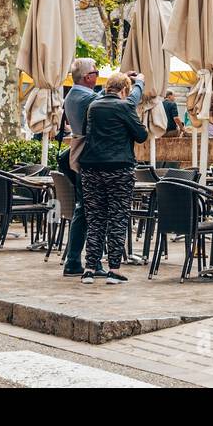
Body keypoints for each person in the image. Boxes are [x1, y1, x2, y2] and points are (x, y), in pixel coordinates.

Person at [62, 59, 142, 277]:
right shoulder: (90, 99)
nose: (99, 77)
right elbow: (114, 100)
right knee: (97, 215)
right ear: (88, 77)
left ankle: (86, 263)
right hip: (106, 163)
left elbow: (110, 95)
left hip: (88, 163)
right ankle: (89, 263)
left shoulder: (71, 96)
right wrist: (135, 85)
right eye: (96, 73)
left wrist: (122, 78)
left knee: (91, 214)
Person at [78, 72, 147, 285]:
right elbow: (141, 135)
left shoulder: (93, 107)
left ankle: (89, 268)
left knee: (95, 218)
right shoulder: (125, 107)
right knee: (117, 217)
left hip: (90, 168)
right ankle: (114, 269)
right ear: (124, 91)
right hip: (119, 168)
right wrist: (140, 82)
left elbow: (83, 131)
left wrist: (131, 83)